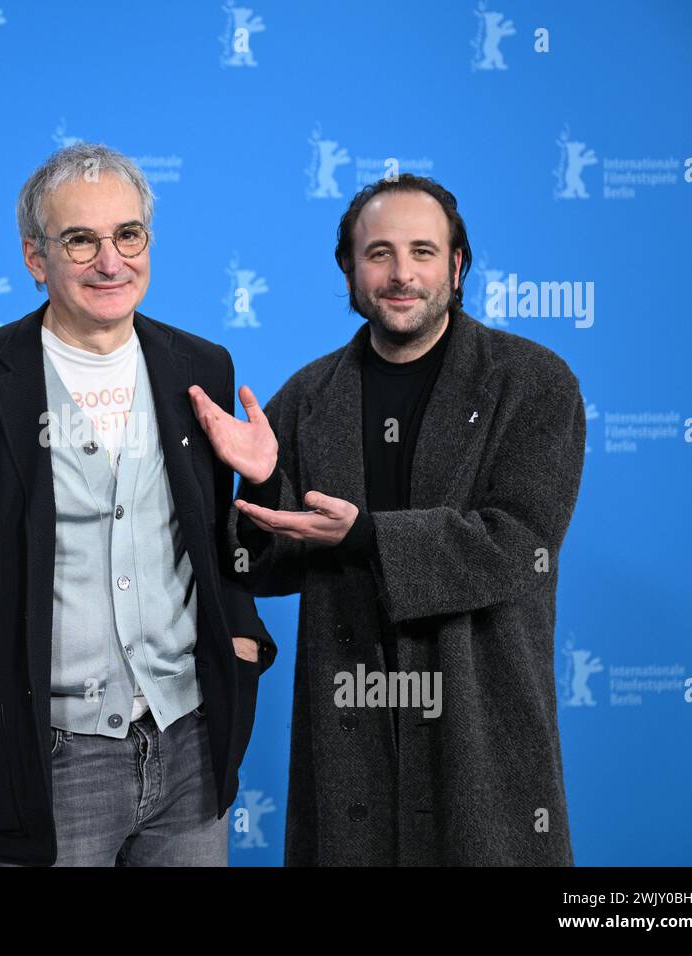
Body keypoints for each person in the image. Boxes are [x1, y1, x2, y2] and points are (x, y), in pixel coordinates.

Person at [0, 143, 274, 866]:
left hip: (192, 742)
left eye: (128, 235)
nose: (110, 262)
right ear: (35, 258)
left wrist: (242, 647)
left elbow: (223, 540)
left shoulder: (201, 367)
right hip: (53, 755)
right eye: (80, 241)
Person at [192, 174, 584, 865]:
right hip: (348, 724)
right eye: (379, 253)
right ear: (348, 268)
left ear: (456, 267)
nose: (402, 274)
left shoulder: (533, 383)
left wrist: (366, 537)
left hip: (479, 721)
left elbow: (520, 544)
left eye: (422, 252)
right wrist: (262, 484)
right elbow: (261, 566)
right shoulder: (308, 396)